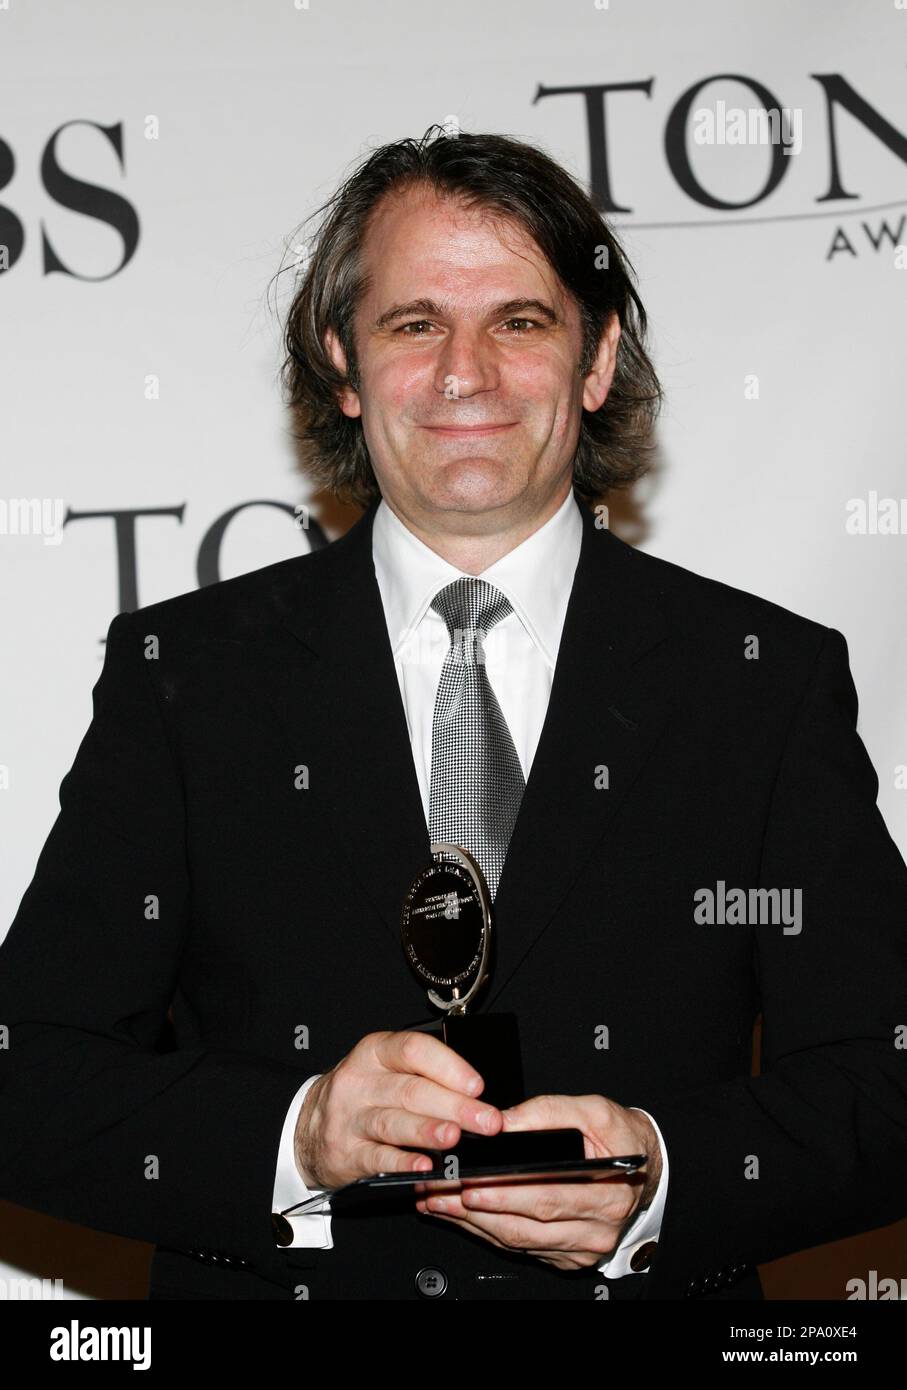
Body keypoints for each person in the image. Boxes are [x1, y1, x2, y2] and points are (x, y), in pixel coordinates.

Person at [1, 127, 905, 1302]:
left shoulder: (757, 678)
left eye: (519, 323)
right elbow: (30, 1074)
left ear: (596, 359)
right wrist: (301, 1131)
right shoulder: (189, 674)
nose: (463, 373)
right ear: (342, 363)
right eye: (414, 322)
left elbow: (884, 1079)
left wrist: (662, 1178)